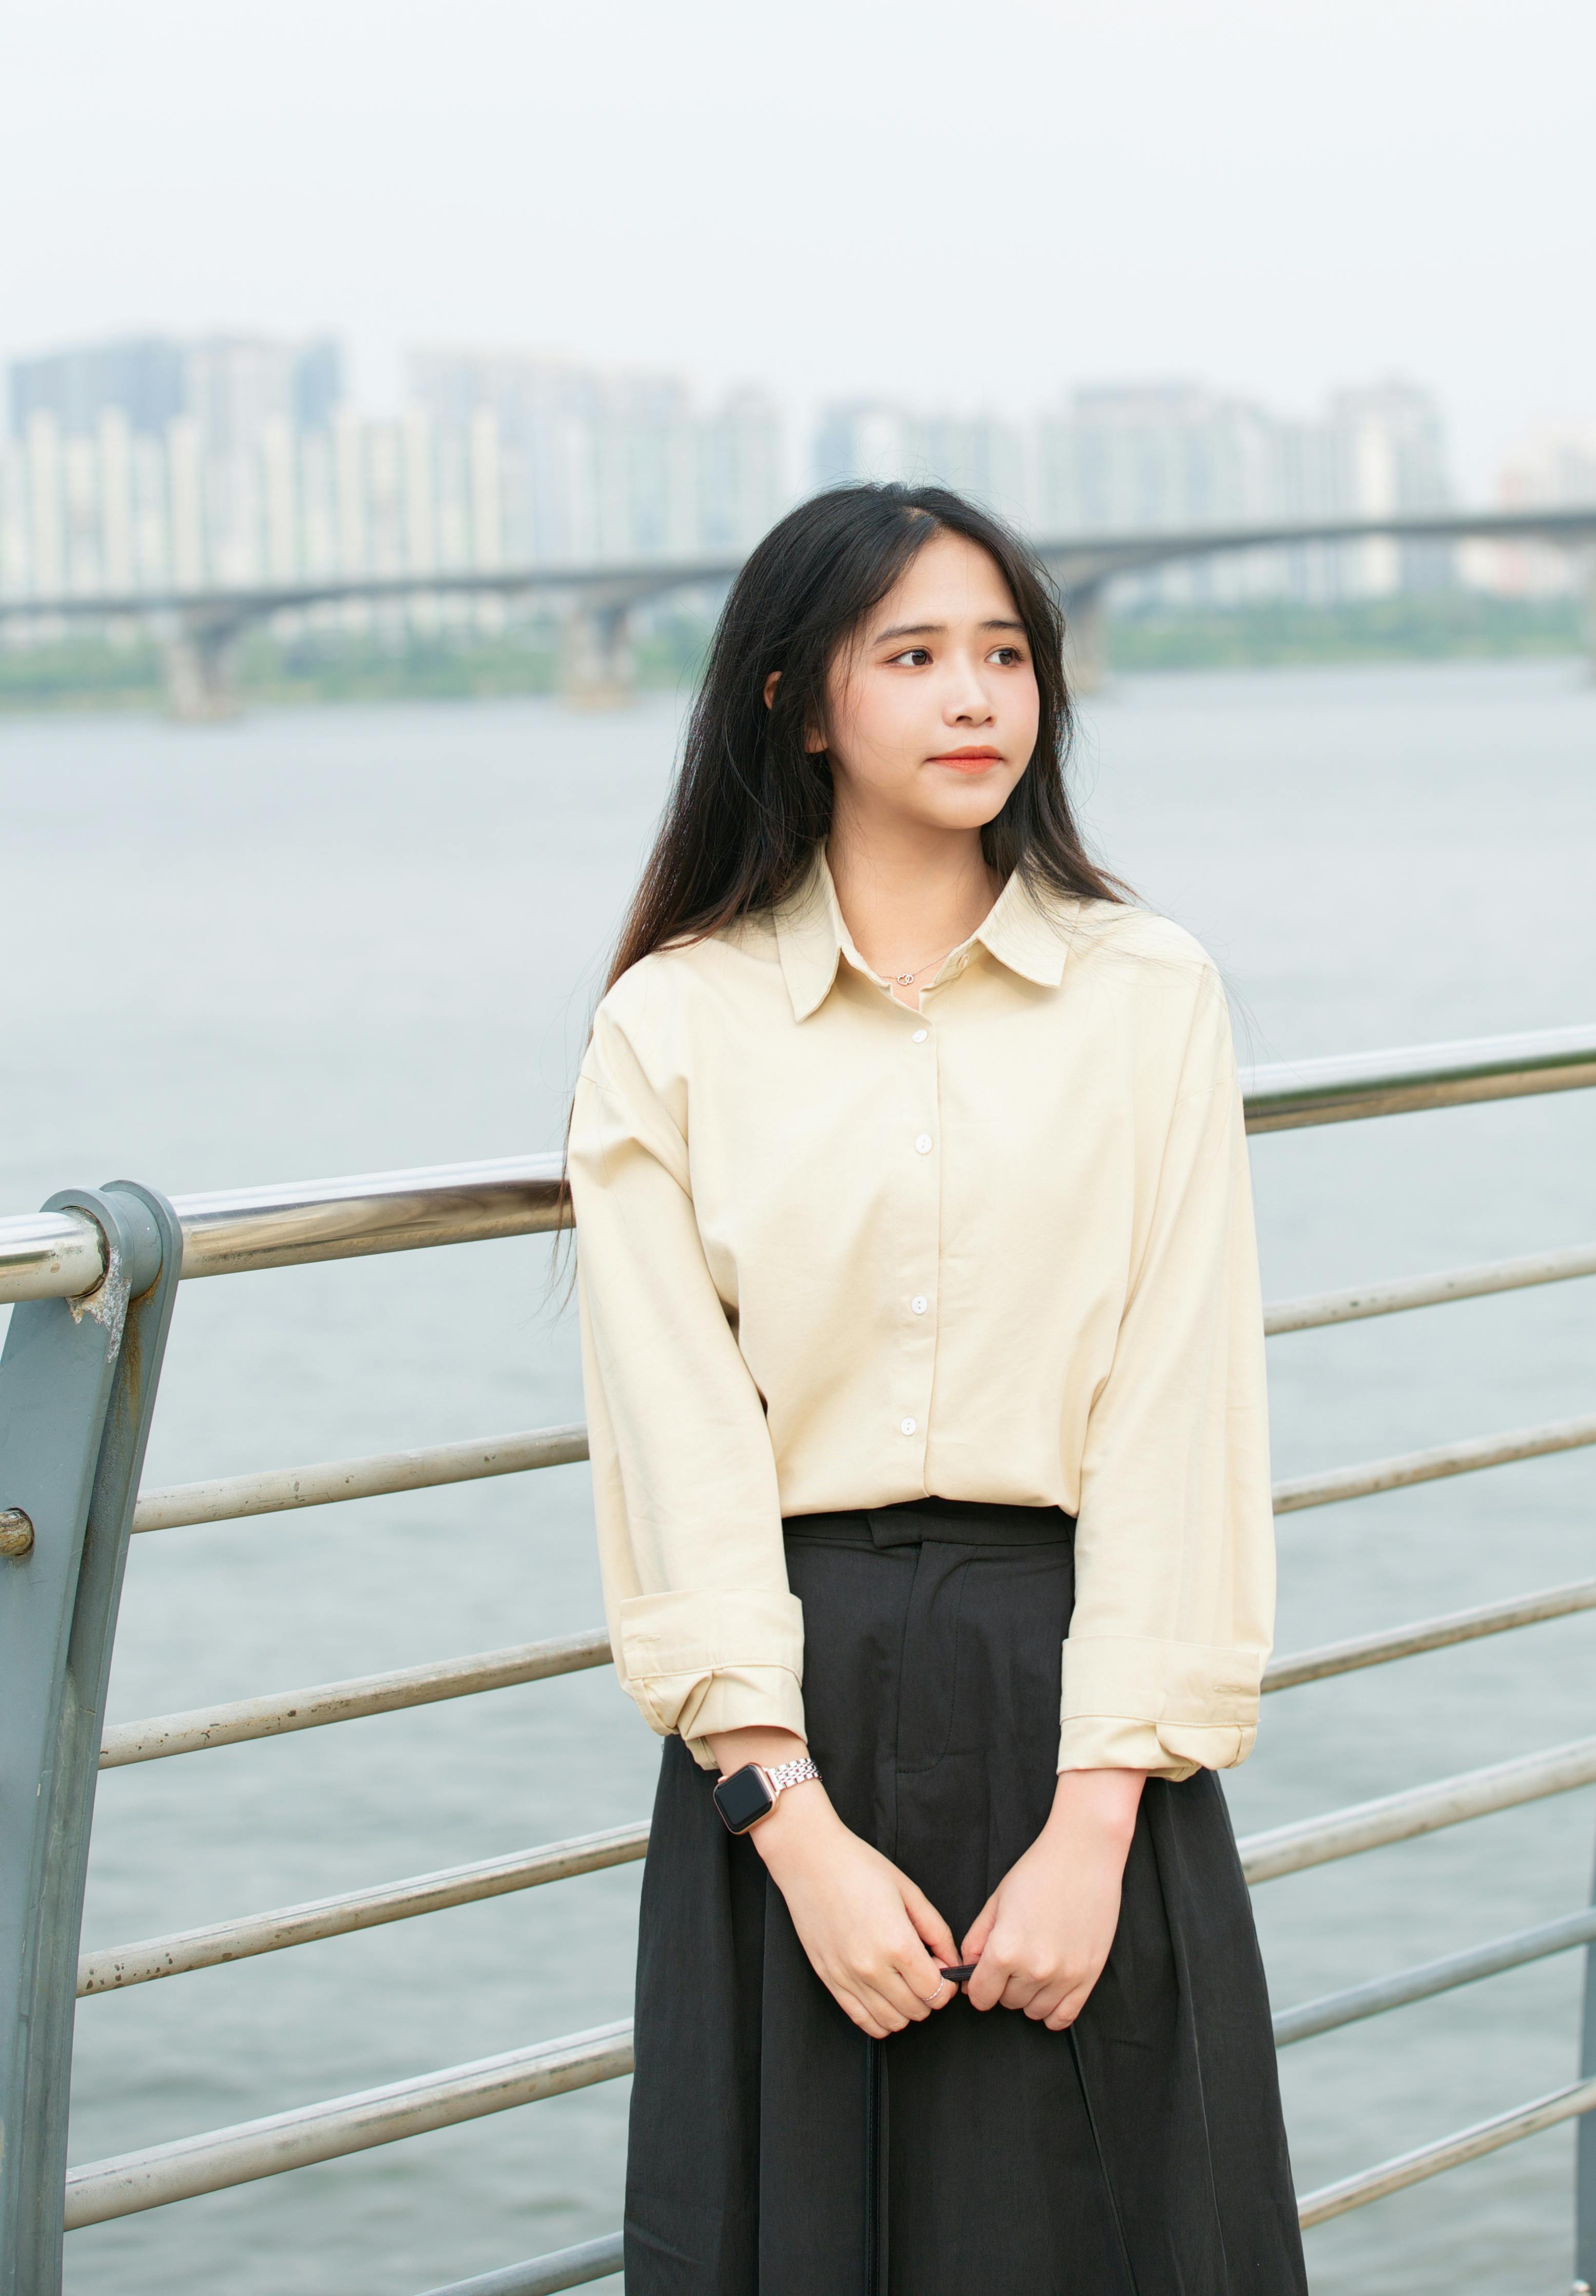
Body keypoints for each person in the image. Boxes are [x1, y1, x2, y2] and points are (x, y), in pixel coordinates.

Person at [567, 481, 1302, 2296]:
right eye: (912, 657)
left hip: (1078, 1701)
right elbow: (677, 1448)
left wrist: (1097, 1822)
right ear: (797, 702)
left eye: (1006, 655)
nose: (977, 697)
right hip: (789, 1722)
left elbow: (1181, 1405)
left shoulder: (1148, 993)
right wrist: (793, 1833)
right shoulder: (673, 1023)